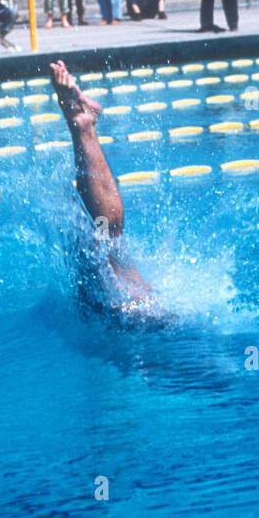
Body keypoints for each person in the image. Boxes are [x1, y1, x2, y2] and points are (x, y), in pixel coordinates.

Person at [50, 60, 167, 325]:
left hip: (143, 318)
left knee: (102, 247)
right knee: (103, 245)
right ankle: (83, 126)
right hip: (145, 319)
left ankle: (84, 127)